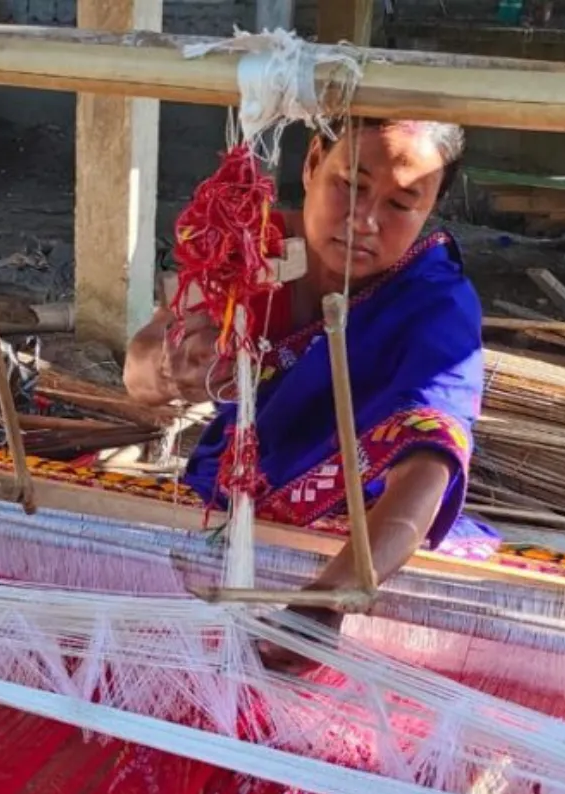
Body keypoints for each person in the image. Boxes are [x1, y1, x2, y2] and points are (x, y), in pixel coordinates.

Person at [124, 118, 486, 669]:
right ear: (314, 162)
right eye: (352, 185)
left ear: (429, 209)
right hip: (230, 509)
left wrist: (329, 599)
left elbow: (430, 461)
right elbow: (141, 365)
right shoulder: (250, 249)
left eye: (401, 204)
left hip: (363, 530)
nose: (365, 221)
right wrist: (171, 369)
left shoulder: (437, 307)